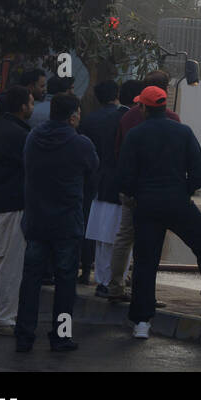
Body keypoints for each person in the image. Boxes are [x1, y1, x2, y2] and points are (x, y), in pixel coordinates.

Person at [118, 85, 201, 340]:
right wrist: (183, 191)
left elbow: (124, 176)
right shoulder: (183, 132)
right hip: (178, 202)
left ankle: (142, 322)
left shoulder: (135, 135)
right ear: (165, 107)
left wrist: (138, 195)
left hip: (146, 205)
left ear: (144, 107)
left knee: (146, 262)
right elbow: (198, 173)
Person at [14, 93, 98, 353]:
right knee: (65, 283)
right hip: (66, 223)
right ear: (73, 117)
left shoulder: (33, 138)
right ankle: (60, 336)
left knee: (31, 280)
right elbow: (93, 173)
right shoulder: (81, 144)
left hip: (36, 220)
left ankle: (24, 336)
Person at [109, 74, 179, 302]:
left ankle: (116, 285)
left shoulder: (128, 117)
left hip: (131, 189)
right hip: (159, 191)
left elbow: (118, 153)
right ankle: (144, 292)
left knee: (125, 236)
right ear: (164, 91)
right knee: (151, 241)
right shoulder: (173, 120)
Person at [0, 87, 34, 332]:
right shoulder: (21, 134)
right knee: (11, 266)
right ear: (22, 106)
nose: (33, 107)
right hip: (15, 205)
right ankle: (2, 318)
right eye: (31, 103)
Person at [80, 80, 128, 298]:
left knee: (99, 234)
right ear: (116, 94)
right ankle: (114, 280)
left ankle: (98, 278)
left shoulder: (89, 120)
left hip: (95, 183)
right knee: (117, 236)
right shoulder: (123, 118)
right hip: (118, 183)